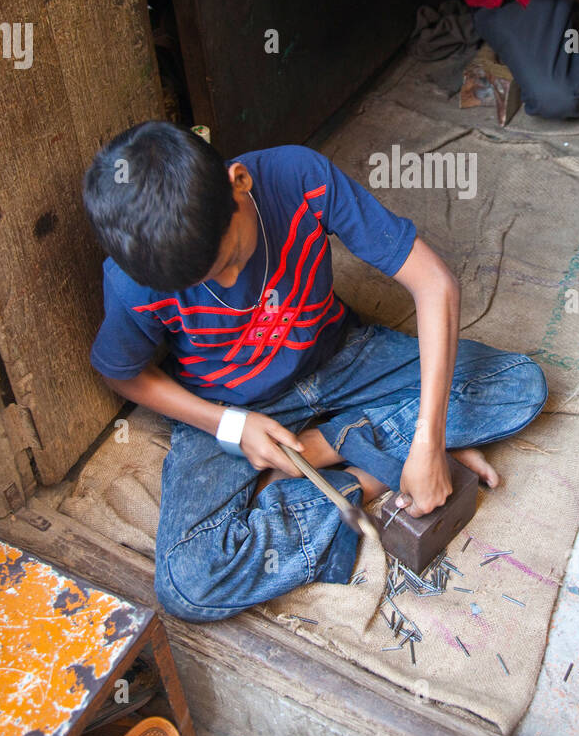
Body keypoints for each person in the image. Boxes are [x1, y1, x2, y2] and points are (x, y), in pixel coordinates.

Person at [82, 122, 547, 622]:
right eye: (208, 279)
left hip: (339, 357)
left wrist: (429, 442)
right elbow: (123, 375)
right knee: (189, 582)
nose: (234, 281)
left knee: (519, 384)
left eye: (232, 257)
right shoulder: (137, 280)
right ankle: (367, 474)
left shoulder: (298, 176)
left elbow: (433, 283)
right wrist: (231, 426)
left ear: (240, 182)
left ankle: (332, 447)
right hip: (227, 406)